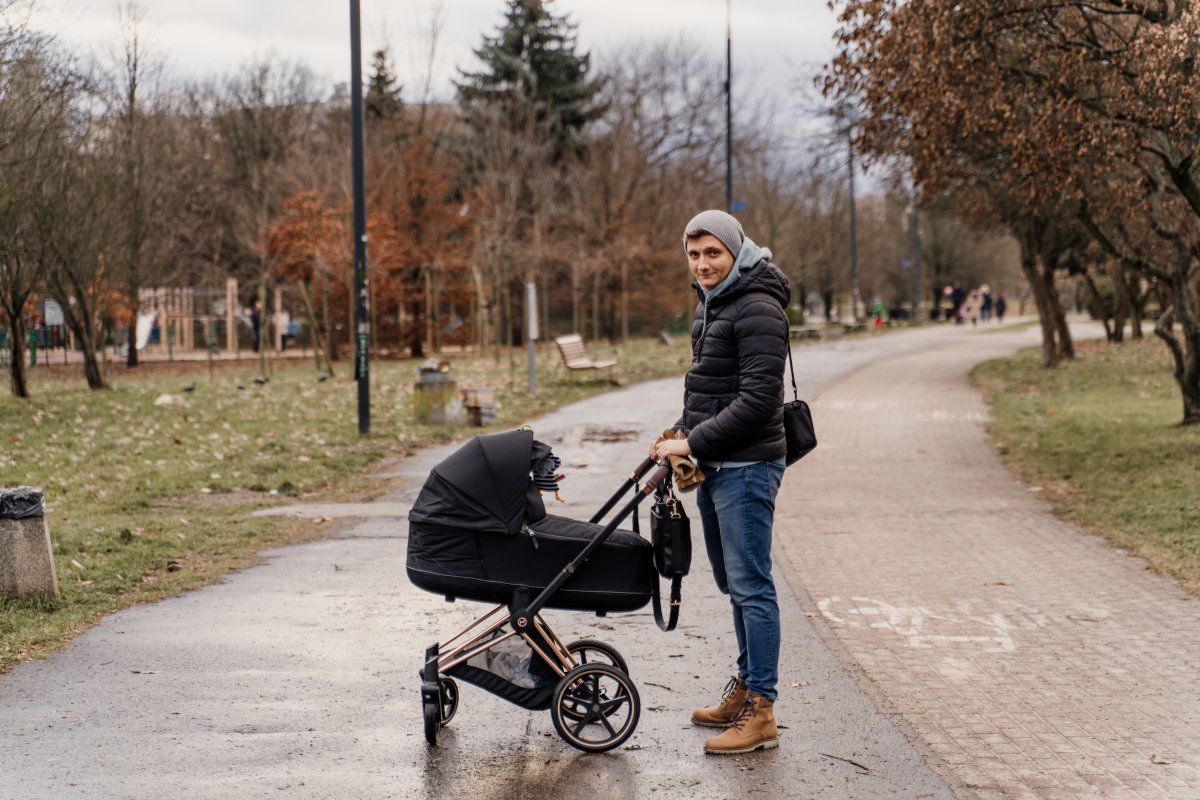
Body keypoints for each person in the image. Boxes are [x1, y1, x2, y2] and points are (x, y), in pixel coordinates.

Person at [650, 210, 789, 755]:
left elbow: (757, 402)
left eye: (713, 253)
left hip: (748, 467)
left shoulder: (757, 306)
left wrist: (692, 443)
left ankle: (763, 712)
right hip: (717, 463)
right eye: (694, 254)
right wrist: (680, 433)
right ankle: (746, 689)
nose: (702, 263)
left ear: (735, 251)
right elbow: (710, 393)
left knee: (752, 585)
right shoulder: (713, 304)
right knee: (735, 584)